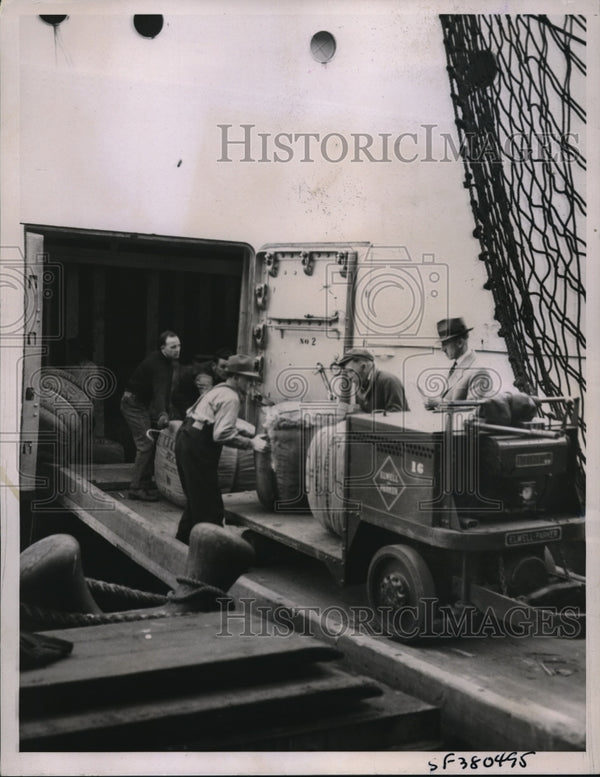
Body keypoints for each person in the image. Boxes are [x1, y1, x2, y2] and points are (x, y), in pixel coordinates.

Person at [174, 353, 269, 544]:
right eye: (248, 380)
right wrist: (251, 443)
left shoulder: (218, 389)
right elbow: (221, 434)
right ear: (235, 377)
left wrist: (244, 429)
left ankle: (182, 542)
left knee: (196, 500)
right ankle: (214, 554)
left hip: (186, 438)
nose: (251, 385)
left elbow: (206, 417)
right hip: (198, 447)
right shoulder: (231, 397)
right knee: (210, 508)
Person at [120, 330, 181, 500]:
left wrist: (165, 411)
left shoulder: (168, 362)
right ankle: (136, 488)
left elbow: (165, 392)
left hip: (142, 404)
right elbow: (160, 392)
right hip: (132, 404)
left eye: (179, 345)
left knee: (150, 441)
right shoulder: (159, 365)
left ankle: (145, 484)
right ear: (163, 348)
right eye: (173, 346)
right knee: (146, 443)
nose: (177, 349)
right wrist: (162, 413)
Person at [425, 318, 492, 410]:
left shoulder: (478, 370)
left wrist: (440, 403)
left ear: (460, 343)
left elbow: (474, 410)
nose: (442, 349)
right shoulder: (455, 367)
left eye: (445, 344)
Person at [336, 348, 409, 413]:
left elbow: (396, 418)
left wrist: (363, 415)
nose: (348, 377)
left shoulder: (389, 381)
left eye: (350, 371)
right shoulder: (360, 385)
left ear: (363, 367)